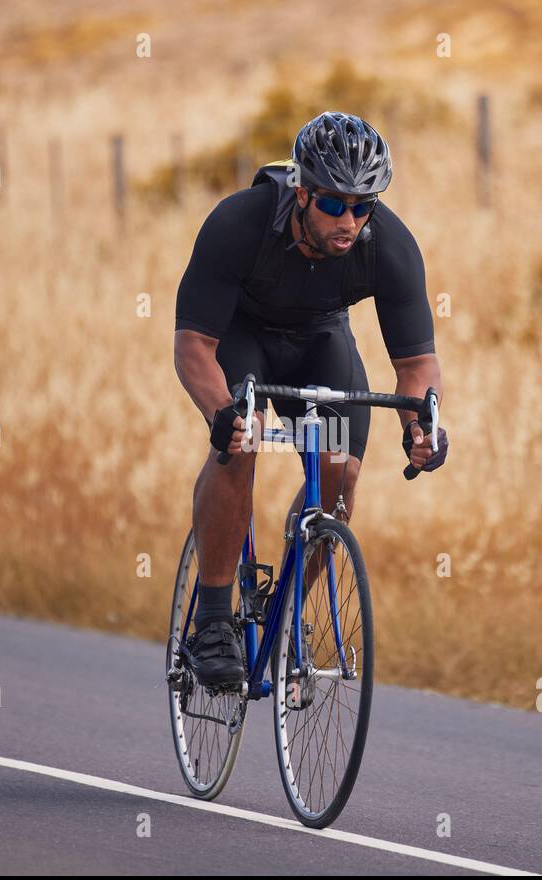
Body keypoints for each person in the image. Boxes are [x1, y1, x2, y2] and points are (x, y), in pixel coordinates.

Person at [173, 110, 448, 687]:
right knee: (241, 439)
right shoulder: (239, 224)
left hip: (321, 338)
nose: (349, 219)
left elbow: (416, 366)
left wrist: (422, 425)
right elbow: (194, 346)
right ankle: (215, 621)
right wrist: (219, 413)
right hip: (243, 335)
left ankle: (285, 613)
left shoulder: (388, 246)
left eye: (363, 205)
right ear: (301, 191)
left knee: (340, 470)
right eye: (333, 204)